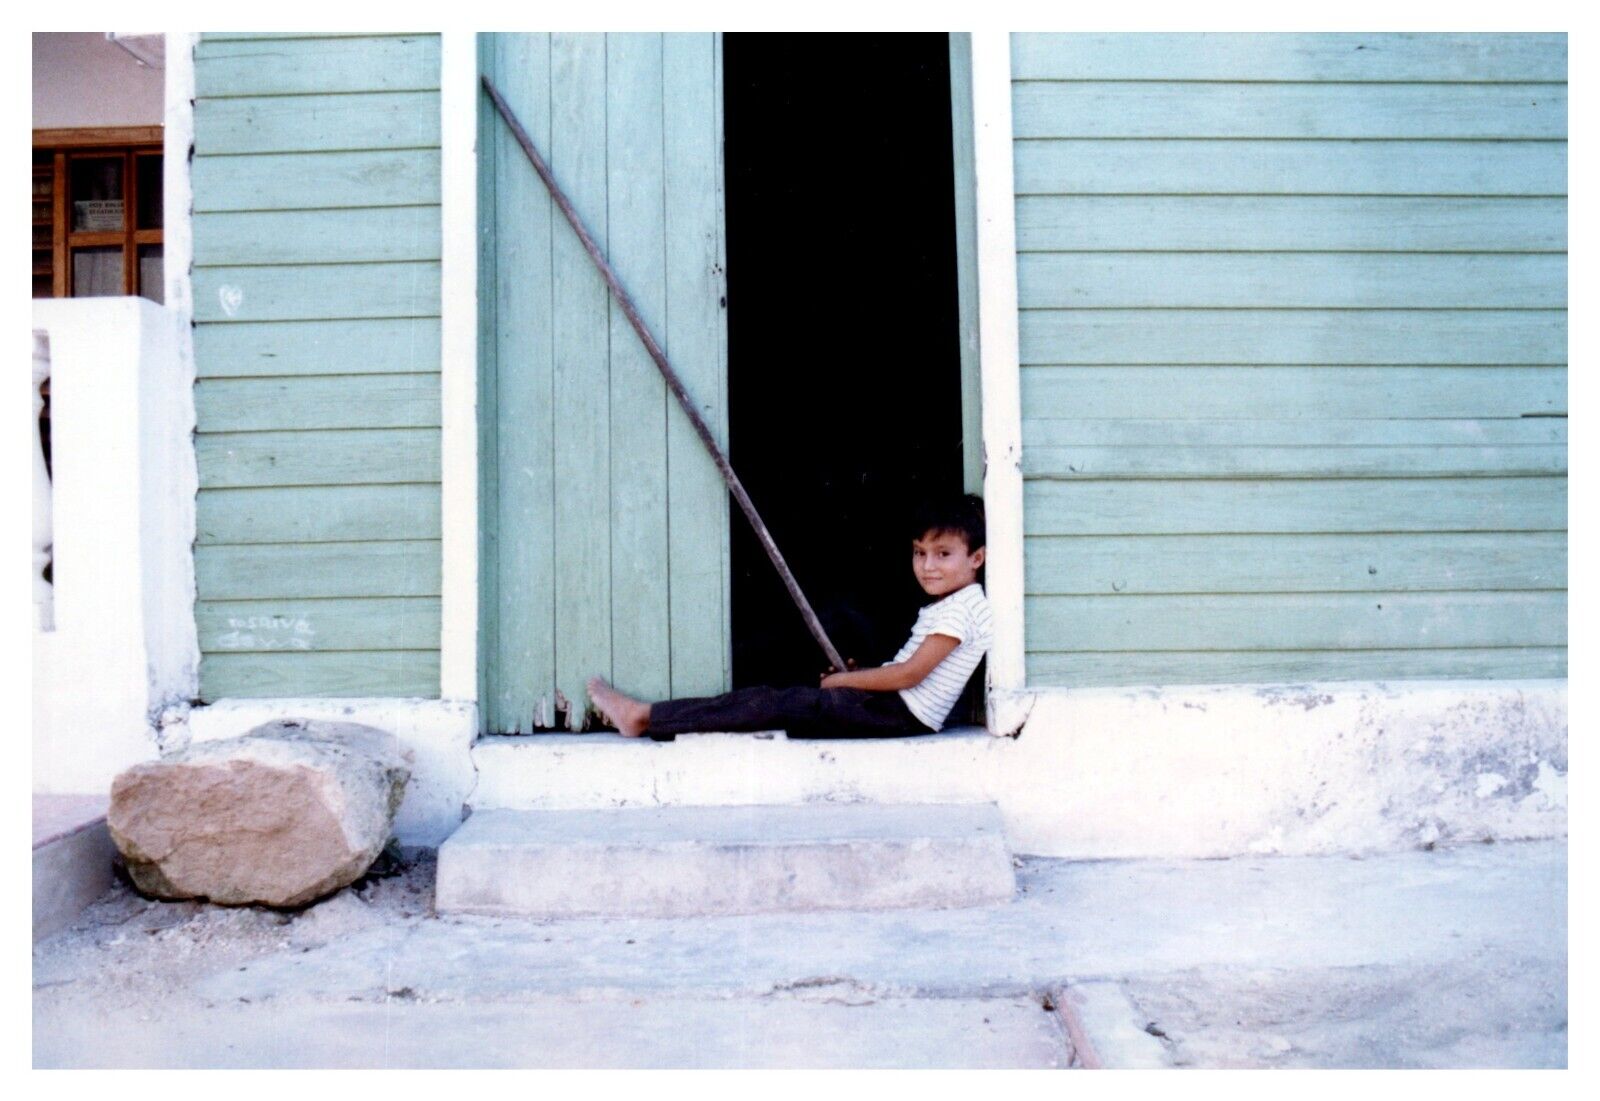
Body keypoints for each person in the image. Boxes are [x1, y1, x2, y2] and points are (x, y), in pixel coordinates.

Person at [587, 494, 994, 741]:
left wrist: (844, 681)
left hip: (898, 714)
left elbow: (909, 676)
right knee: (776, 698)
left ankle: (643, 717)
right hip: (892, 707)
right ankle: (651, 716)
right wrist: (863, 676)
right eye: (919, 553)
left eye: (943, 554)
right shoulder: (959, 603)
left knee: (770, 703)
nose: (927, 566)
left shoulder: (960, 611)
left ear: (977, 558)